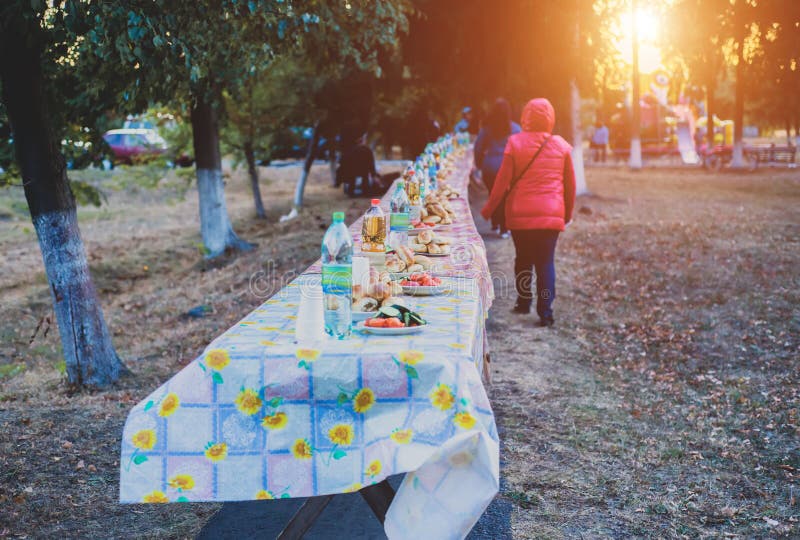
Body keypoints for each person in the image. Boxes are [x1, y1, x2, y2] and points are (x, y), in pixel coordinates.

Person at [480, 98, 576, 327]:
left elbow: (502, 182)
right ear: (550, 118)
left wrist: (488, 210)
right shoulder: (562, 146)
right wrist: (567, 214)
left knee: (523, 258)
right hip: (551, 214)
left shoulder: (515, 143)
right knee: (546, 262)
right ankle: (545, 311)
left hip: (520, 215)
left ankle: (524, 301)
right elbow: (570, 186)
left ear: (525, 117)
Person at [474, 98, 521, 237]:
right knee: (505, 198)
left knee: (493, 195)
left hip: (489, 168)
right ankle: (504, 228)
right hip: (508, 168)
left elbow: (478, 148)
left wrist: (479, 164)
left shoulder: (486, 128)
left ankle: (495, 224)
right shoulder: (516, 129)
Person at [336, 130, 397, 197]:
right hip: (363, 172)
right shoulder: (367, 150)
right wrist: (374, 175)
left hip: (351, 172)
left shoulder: (349, 150)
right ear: (362, 140)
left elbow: (342, 162)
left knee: (353, 174)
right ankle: (365, 191)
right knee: (364, 175)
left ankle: (351, 192)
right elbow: (371, 165)